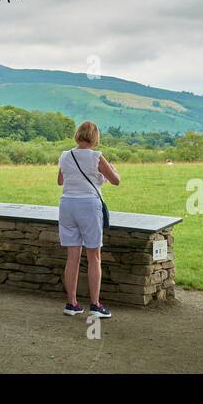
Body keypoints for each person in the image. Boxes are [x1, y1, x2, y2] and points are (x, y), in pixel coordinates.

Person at [57, 120, 121, 319]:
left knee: (72, 256)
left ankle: (72, 303)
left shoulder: (65, 155)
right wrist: (112, 169)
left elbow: (60, 181)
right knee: (94, 255)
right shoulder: (96, 156)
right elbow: (116, 181)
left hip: (67, 204)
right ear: (95, 137)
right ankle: (95, 304)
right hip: (88, 205)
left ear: (77, 135)